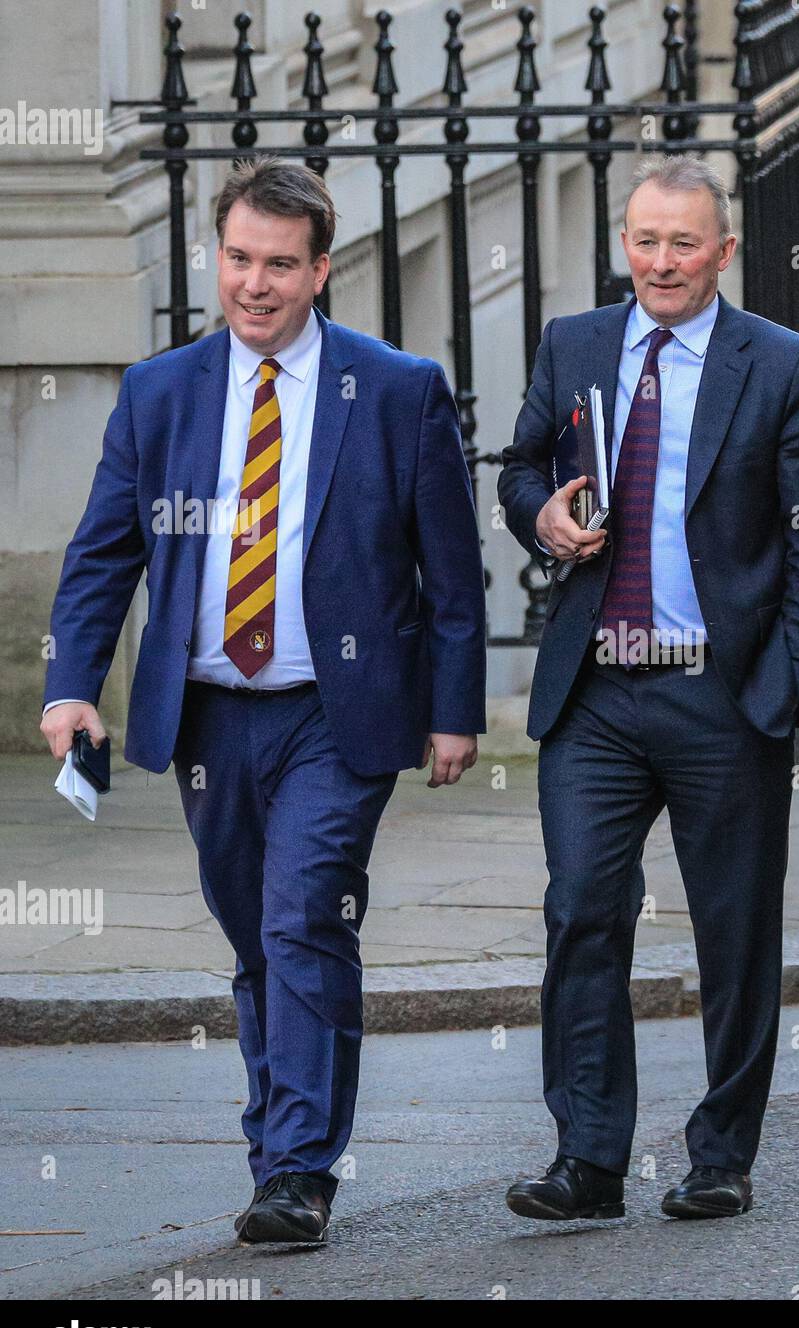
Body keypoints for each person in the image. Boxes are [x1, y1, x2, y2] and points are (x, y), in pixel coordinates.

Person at [40, 157, 486, 1243]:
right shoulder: (161, 391)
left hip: (336, 717)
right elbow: (105, 554)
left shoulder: (393, 388)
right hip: (208, 717)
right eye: (238, 259)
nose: (254, 284)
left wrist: (455, 710)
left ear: (321, 270)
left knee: (303, 919)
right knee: (256, 935)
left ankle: (296, 1168)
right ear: (217, 258)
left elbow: (453, 571)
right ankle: (276, 1132)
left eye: (280, 265)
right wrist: (70, 688)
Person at [497, 153, 799, 1221]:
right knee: (581, 910)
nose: (661, 261)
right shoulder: (575, 345)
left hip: (720, 690)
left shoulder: (782, 365)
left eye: (683, 243)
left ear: (723, 251)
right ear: (624, 244)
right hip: (597, 689)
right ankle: (589, 1160)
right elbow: (517, 467)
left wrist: (787, 685)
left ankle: (721, 1153)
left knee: (733, 928)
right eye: (645, 241)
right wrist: (541, 517)